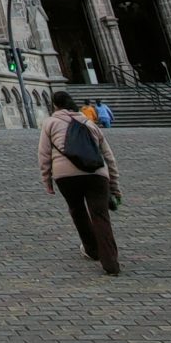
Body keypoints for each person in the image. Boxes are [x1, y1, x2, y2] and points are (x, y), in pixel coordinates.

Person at [39, 89, 121, 275]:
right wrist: (114, 186)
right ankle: (111, 262)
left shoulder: (50, 123)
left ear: (55, 106)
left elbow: (44, 154)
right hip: (96, 174)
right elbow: (108, 156)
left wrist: (47, 180)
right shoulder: (88, 122)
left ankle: (92, 249)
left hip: (66, 176)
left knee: (78, 211)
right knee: (100, 216)